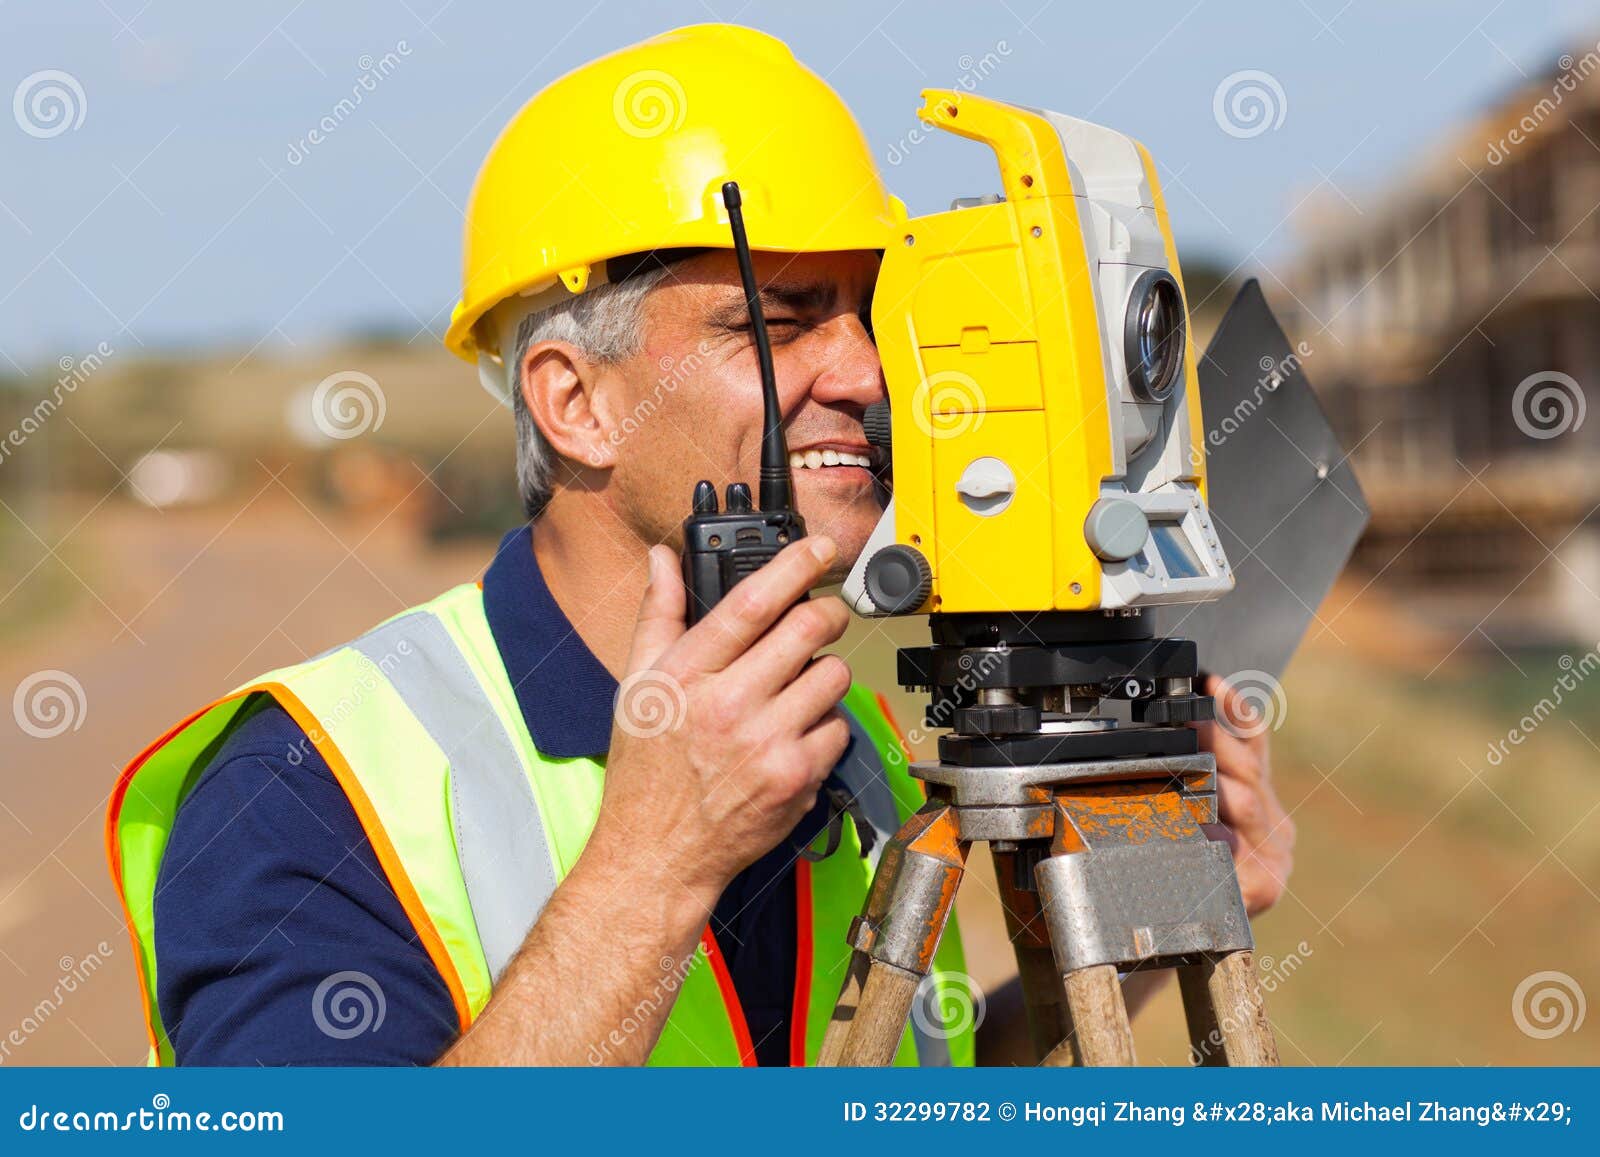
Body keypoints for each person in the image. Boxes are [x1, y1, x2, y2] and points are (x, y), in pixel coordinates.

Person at [107, 23, 1294, 1067]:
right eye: (772, 324)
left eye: (867, 315)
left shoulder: (845, 745)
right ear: (576, 401)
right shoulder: (310, 787)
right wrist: (656, 867)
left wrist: (1136, 944)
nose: (864, 373)